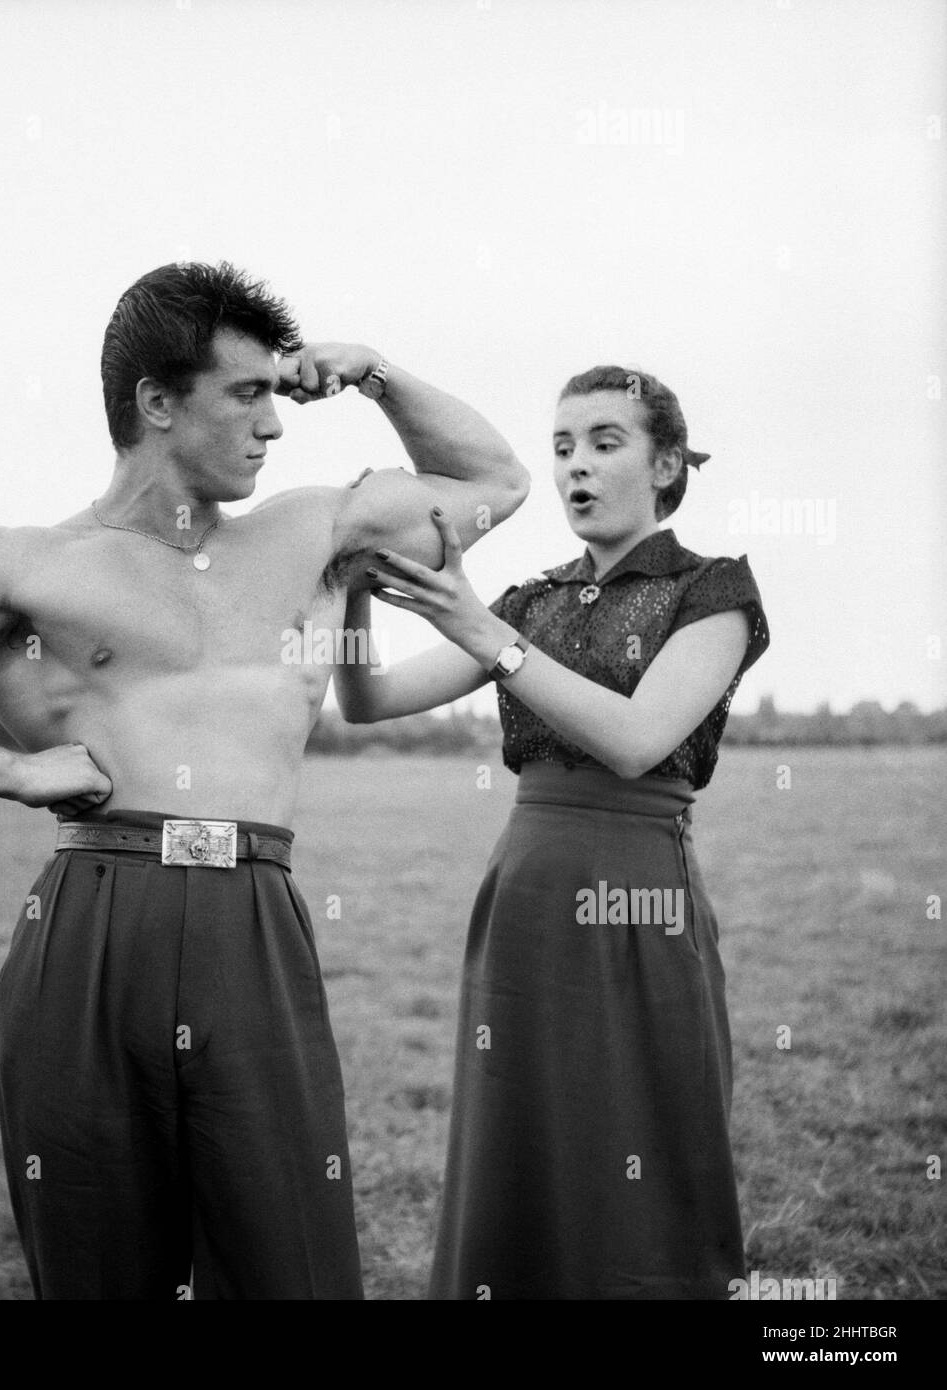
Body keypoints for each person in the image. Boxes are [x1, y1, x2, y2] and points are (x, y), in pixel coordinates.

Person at [0, 261, 529, 1300]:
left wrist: (376, 375)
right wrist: (6, 768)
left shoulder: (317, 528)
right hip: (93, 923)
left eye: (277, 391)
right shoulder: (21, 562)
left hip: (252, 921)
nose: (273, 424)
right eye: (245, 393)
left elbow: (493, 485)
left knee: (294, 1268)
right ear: (157, 403)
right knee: (100, 1272)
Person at [335, 365, 770, 1299]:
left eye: (604, 443)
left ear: (663, 467)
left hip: (637, 898)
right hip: (524, 896)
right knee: (520, 1132)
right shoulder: (530, 599)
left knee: (642, 1131)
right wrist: (356, 582)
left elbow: (637, 739)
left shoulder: (713, 591)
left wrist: (483, 633)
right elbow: (367, 701)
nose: (575, 467)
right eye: (563, 447)